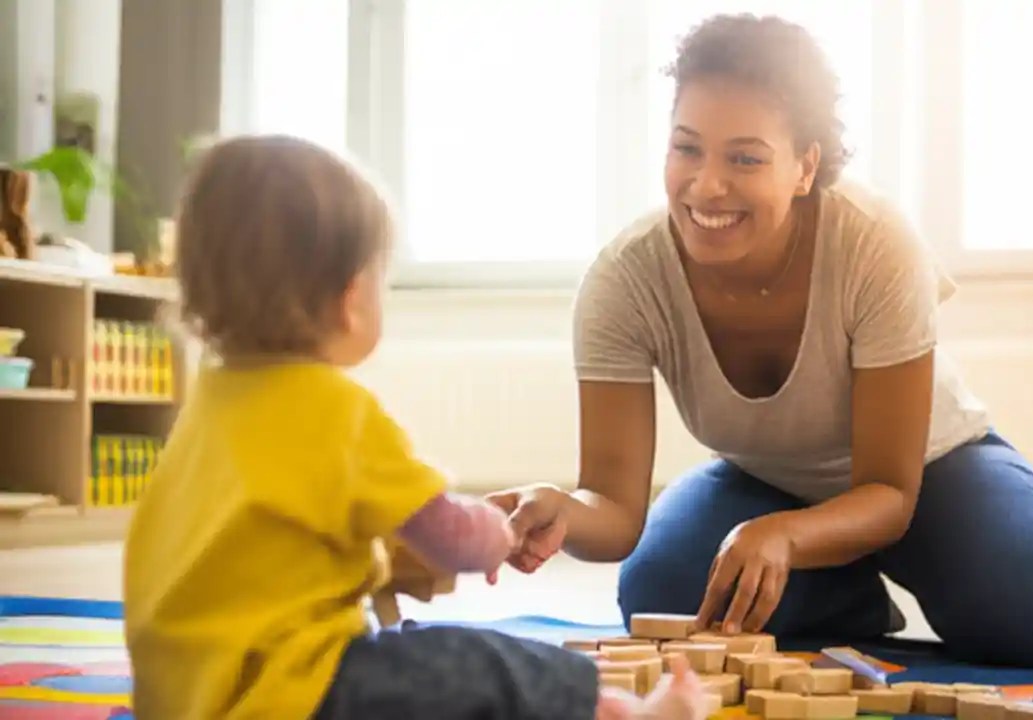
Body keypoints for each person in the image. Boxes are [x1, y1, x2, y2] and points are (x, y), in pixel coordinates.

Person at [489, 13, 1033, 669]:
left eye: (745, 157)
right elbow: (612, 506)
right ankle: (850, 600)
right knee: (659, 589)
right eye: (686, 148)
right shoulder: (624, 280)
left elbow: (889, 495)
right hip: (767, 481)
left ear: (805, 167)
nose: (707, 185)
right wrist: (563, 513)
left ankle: (837, 564)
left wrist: (784, 536)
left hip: (928, 473)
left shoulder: (874, 243)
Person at [122, 135, 707, 720]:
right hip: (295, 697)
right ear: (352, 299)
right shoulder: (336, 412)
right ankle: (620, 714)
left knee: (398, 648)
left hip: (182, 699)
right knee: (474, 659)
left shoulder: (204, 408)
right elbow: (453, 535)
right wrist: (497, 533)